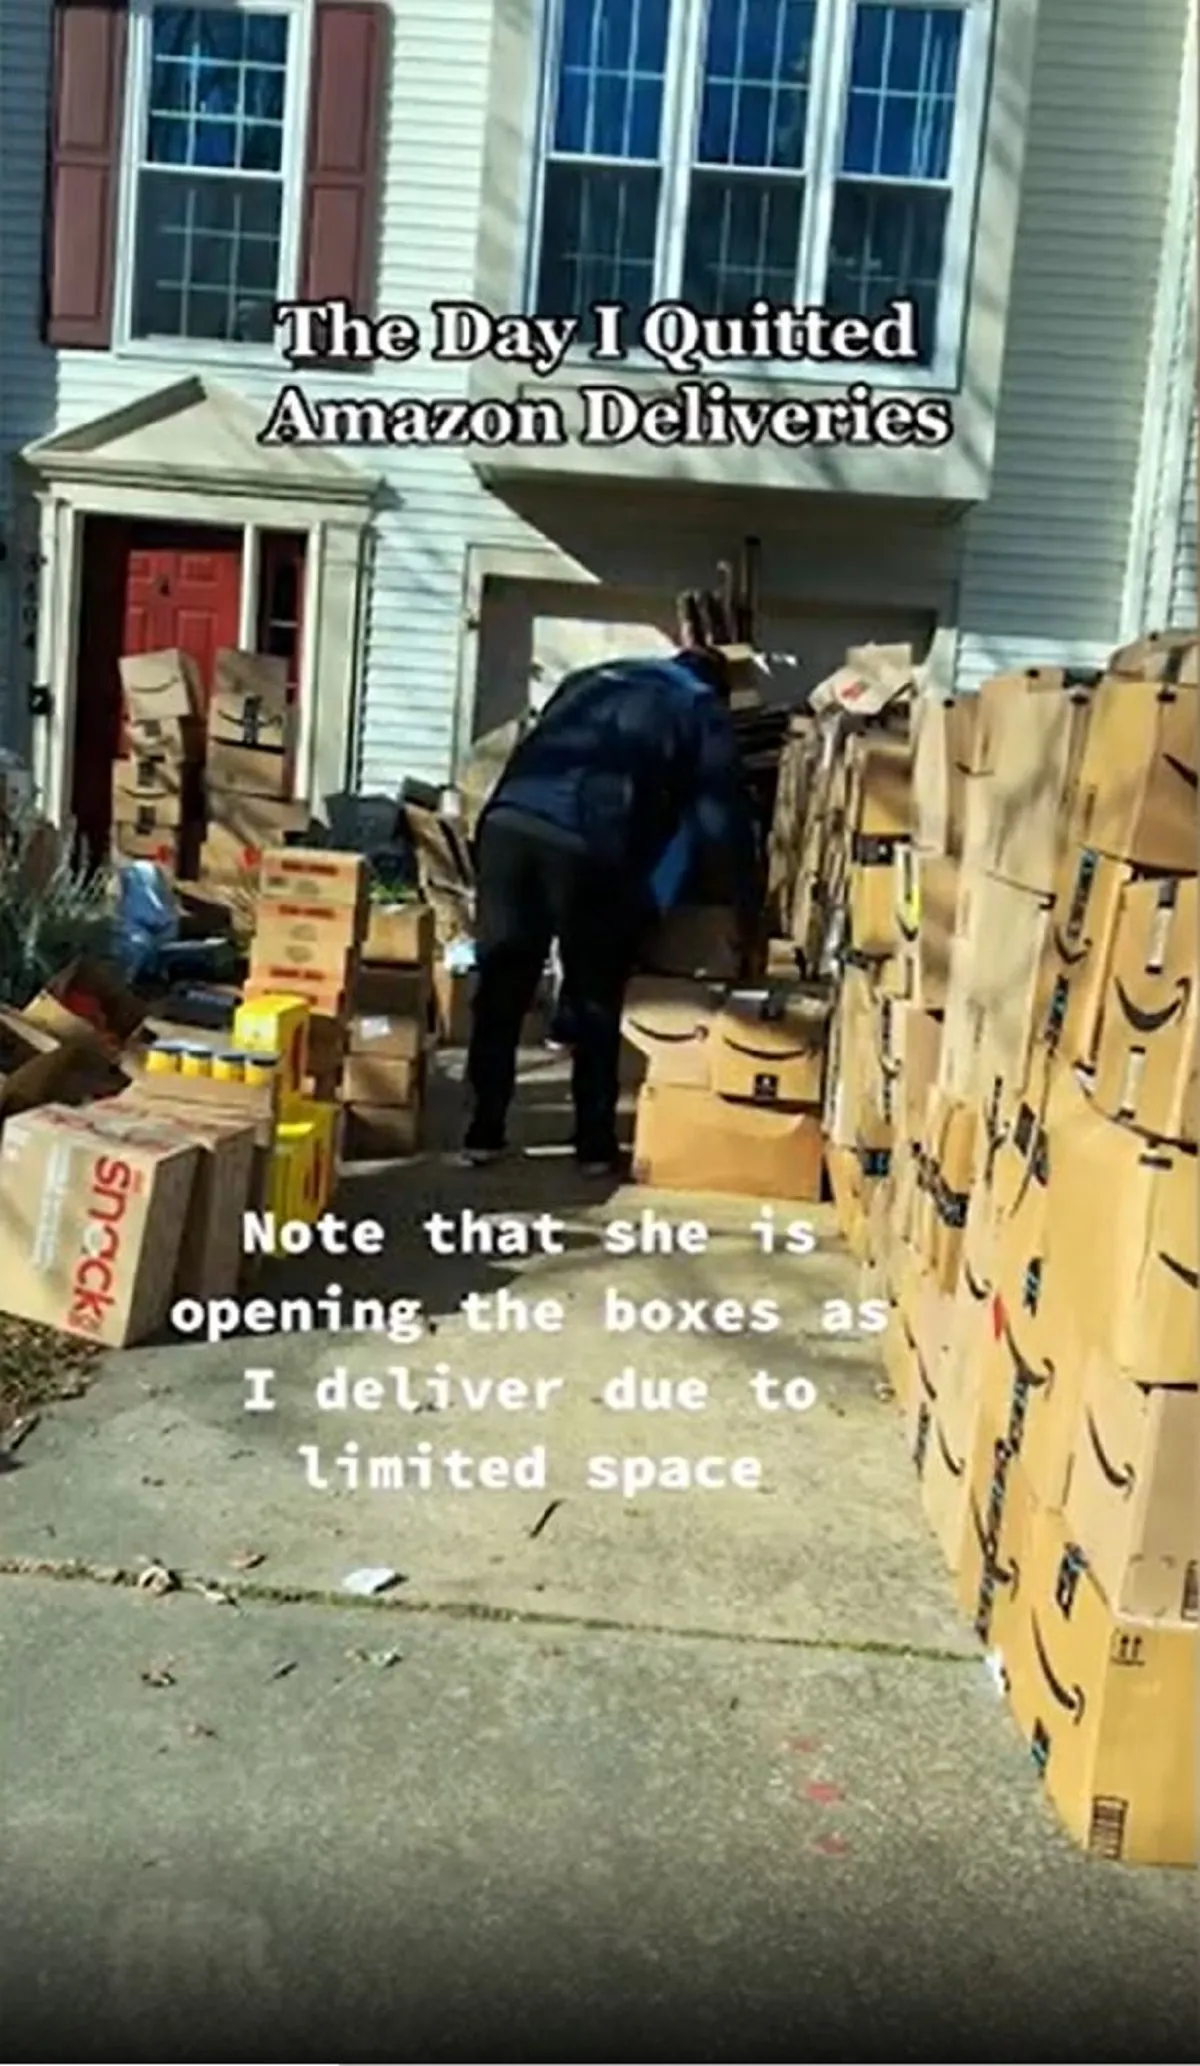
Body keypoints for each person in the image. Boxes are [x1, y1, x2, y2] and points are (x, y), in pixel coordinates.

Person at [461, 643, 762, 1173]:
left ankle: (483, 1131)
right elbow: (719, 818)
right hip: (588, 842)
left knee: (504, 982)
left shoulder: (591, 676)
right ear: (719, 687)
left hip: (508, 825)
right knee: (595, 990)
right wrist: (744, 901)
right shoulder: (699, 705)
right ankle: (593, 1144)